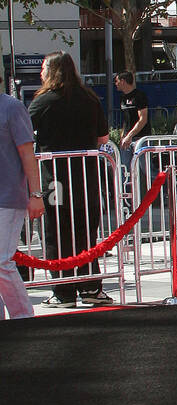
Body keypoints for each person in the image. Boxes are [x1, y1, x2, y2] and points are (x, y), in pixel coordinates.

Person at [29, 52, 113, 307]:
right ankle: (90, 288)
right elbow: (103, 138)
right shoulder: (89, 98)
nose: (40, 73)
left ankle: (64, 292)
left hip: (55, 179)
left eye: (44, 68)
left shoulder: (42, 102)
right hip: (86, 177)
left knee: (57, 232)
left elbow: (24, 135)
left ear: (52, 71)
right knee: (86, 231)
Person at [0, 90, 44, 320]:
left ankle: (23, 317)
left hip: (7, 197)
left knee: (1, 262)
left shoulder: (12, 107)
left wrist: (36, 194)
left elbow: (28, 153)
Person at [115, 70, 148, 170]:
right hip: (126, 140)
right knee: (125, 169)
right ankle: (127, 186)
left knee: (146, 169)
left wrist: (130, 135)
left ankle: (160, 184)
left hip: (140, 138)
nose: (115, 84)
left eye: (117, 81)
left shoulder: (139, 96)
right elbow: (126, 119)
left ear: (123, 81)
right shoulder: (122, 98)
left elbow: (143, 119)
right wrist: (123, 136)